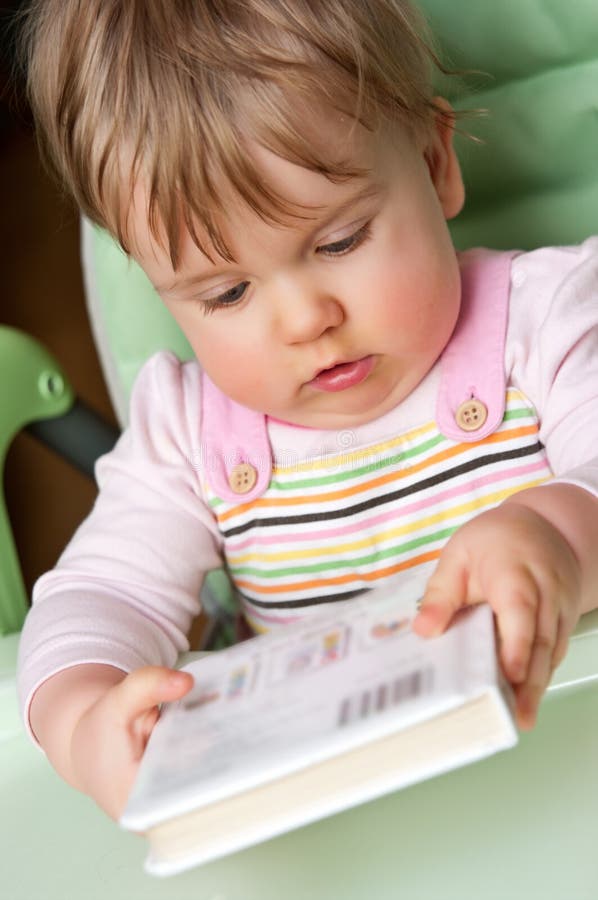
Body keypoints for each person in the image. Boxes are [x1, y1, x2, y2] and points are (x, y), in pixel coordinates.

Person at [17, 0, 598, 822]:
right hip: (351, 825)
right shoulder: (189, 440)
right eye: (226, 292)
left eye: (338, 242)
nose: (304, 320)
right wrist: (82, 720)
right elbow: (100, 595)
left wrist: (560, 531)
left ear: (436, 165)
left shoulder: (547, 322)